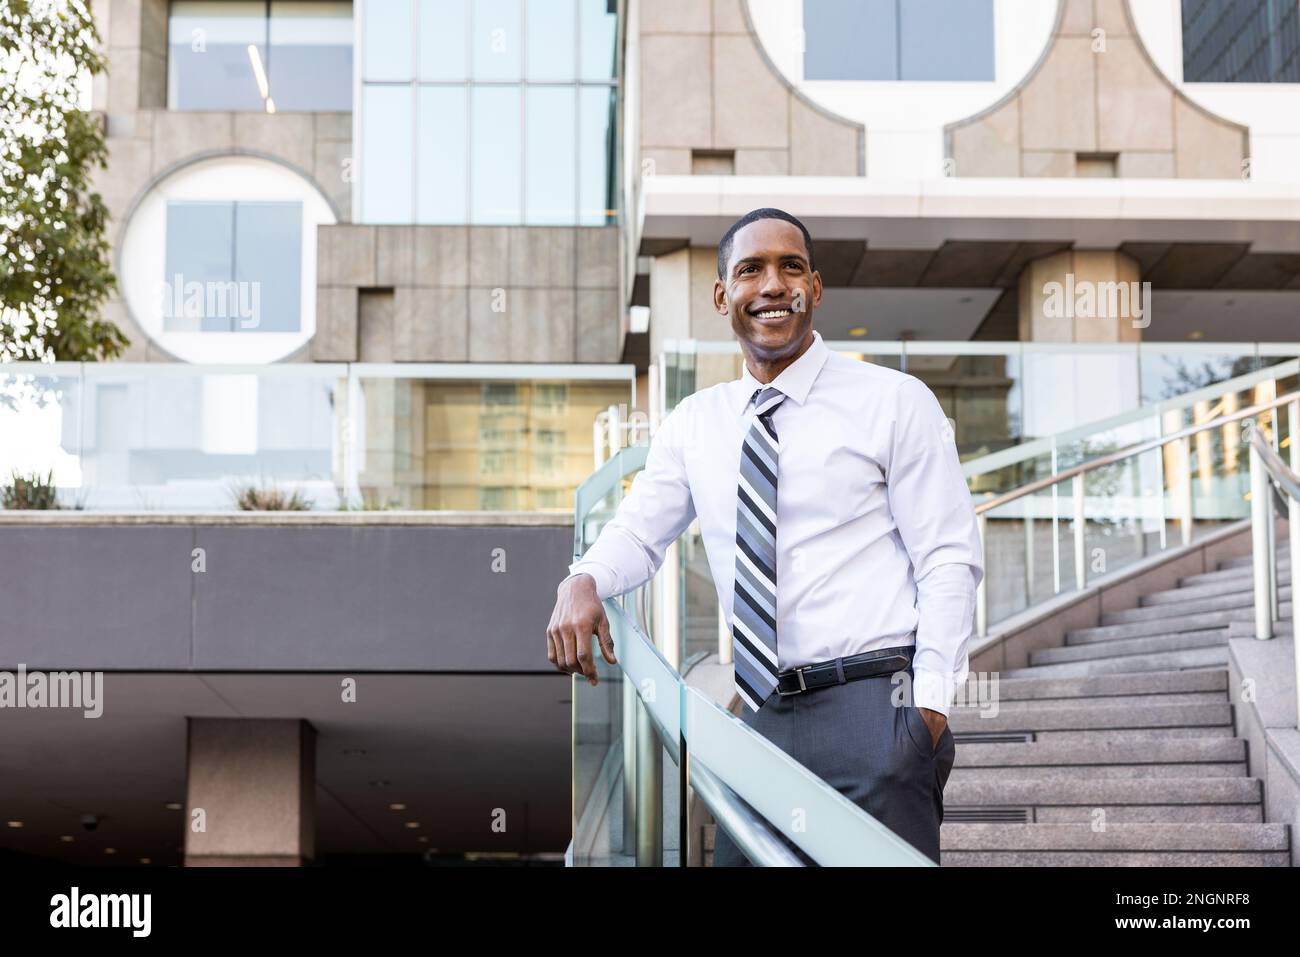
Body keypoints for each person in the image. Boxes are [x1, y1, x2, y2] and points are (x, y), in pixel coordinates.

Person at [546, 207, 983, 865]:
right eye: (751, 269)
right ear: (724, 295)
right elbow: (638, 532)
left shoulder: (893, 401)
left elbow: (948, 554)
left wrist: (926, 710)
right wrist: (583, 578)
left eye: (791, 266)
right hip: (760, 719)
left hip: (876, 709)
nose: (773, 284)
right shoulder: (696, 423)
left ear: (815, 287)